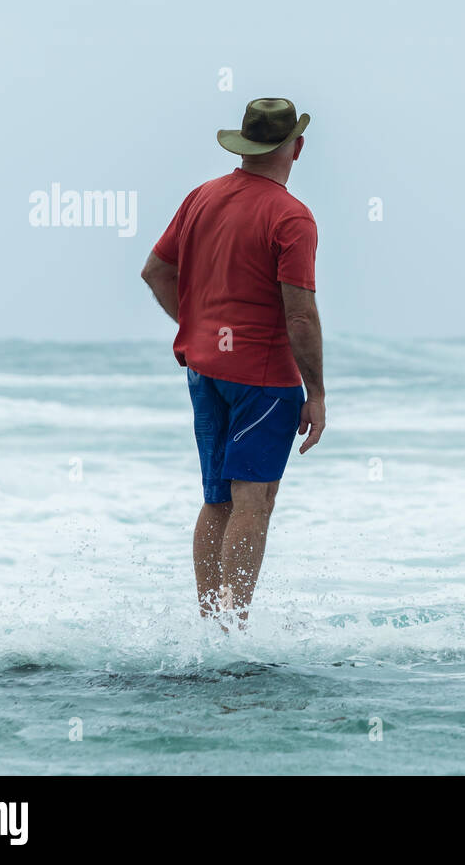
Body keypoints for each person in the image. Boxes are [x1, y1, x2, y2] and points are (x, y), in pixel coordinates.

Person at [140, 97, 325, 625]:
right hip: (264, 380)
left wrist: (194, 327)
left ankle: (209, 626)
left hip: (205, 370)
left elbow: (156, 270)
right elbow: (302, 317)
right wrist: (317, 393)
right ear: (296, 147)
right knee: (254, 501)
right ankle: (235, 628)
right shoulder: (291, 216)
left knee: (217, 499)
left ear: (244, 145)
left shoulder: (202, 197)